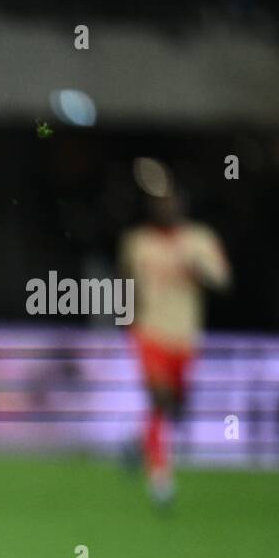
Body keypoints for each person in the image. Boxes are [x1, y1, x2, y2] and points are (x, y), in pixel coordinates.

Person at [119, 188, 230, 506]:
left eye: (172, 204)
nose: (166, 210)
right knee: (160, 396)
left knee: (171, 406)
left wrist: (198, 271)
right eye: (160, 204)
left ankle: (137, 444)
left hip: (184, 335)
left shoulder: (199, 240)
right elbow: (125, 280)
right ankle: (160, 479)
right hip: (149, 331)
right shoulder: (138, 241)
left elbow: (223, 281)